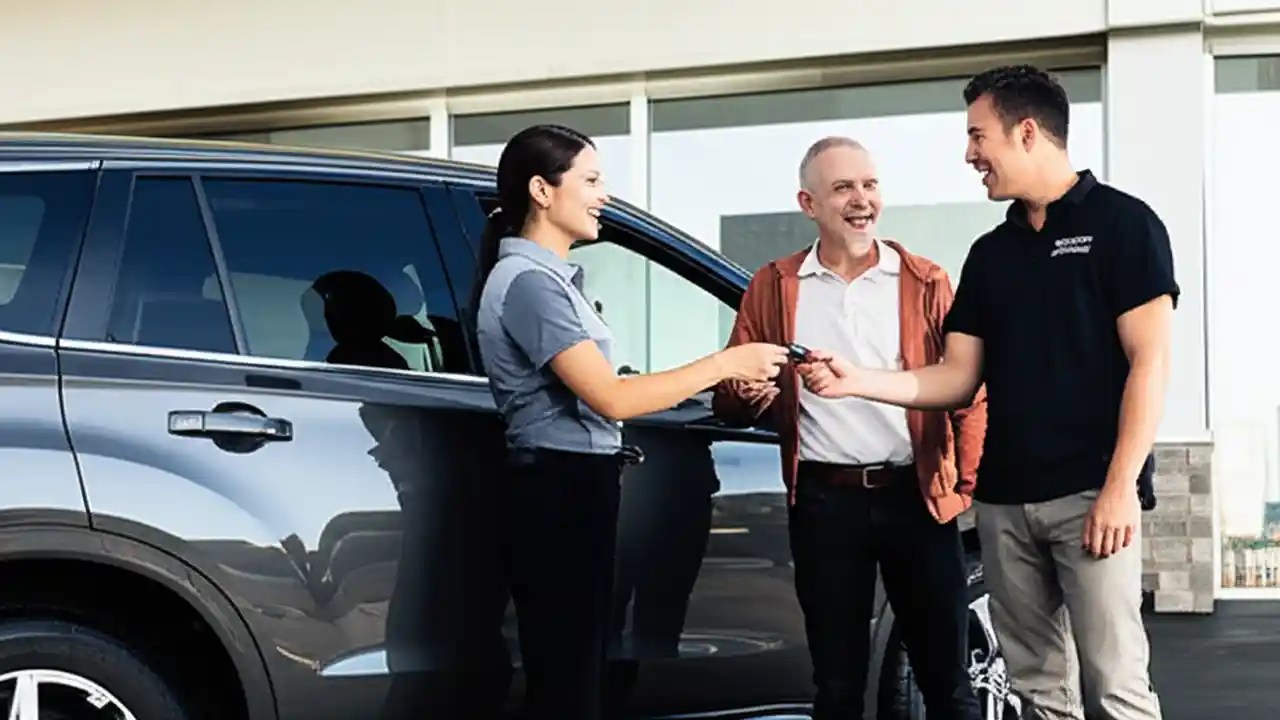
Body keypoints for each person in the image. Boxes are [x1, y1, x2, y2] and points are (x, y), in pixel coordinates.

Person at [797, 66, 1175, 720]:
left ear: (1026, 132)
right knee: (1037, 691)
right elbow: (956, 377)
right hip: (1004, 506)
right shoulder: (990, 254)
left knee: (1116, 687)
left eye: (978, 136)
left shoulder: (1125, 226)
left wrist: (1119, 489)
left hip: (1092, 498)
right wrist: (855, 379)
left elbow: (1151, 364)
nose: (970, 154)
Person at [473, 123, 789, 720]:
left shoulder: (544, 280)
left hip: (570, 482)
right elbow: (612, 398)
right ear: (543, 191)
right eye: (591, 180)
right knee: (567, 677)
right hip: (558, 486)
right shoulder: (530, 285)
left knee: (577, 667)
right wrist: (724, 362)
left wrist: (719, 386)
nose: (604, 195)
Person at [712, 136, 987, 720]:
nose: (862, 200)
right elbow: (730, 398)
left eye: (870, 185)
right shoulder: (775, 285)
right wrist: (748, 394)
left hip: (917, 500)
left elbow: (968, 391)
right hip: (823, 503)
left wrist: (963, 487)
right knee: (836, 686)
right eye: (843, 188)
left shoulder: (924, 280)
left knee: (948, 682)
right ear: (808, 203)